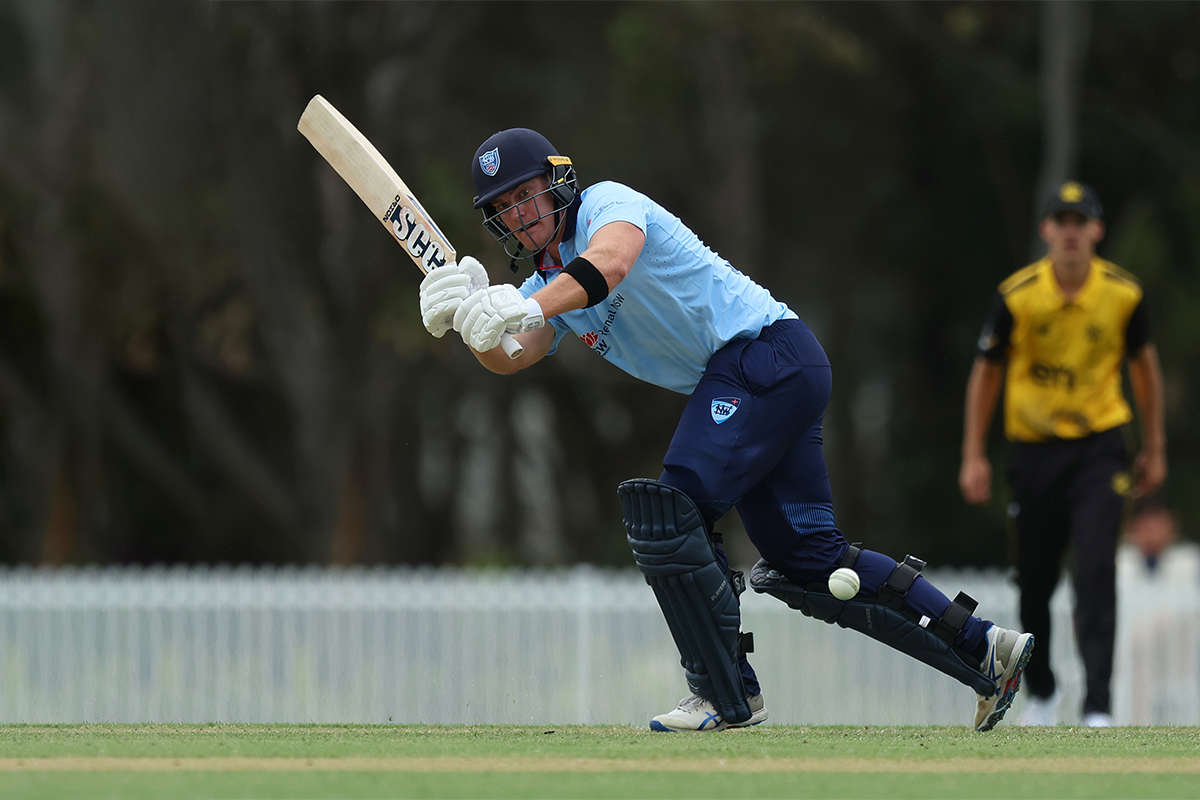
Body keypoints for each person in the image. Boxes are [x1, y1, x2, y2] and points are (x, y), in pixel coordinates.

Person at [419, 128, 1033, 732]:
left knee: (672, 510)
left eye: (524, 195)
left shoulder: (608, 204)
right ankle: (985, 649)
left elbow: (611, 261)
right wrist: (467, 321)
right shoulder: (544, 289)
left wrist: (521, 307)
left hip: (765, 355)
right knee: (807, 560)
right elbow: (513, 354)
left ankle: (724, 694)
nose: (518, 215)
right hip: (766, 376)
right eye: (501, 208)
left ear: (557, 183)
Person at [959, 181, 1167, 728]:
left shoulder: (1123, 294)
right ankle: (1044, 691)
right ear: (1047, 229)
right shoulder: (1018, 295)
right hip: (1034, 452)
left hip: (1100, 447)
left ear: (1096, 230)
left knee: (1097, 567)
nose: (1071, 232)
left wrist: (1155, 445)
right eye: (1062, 221)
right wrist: (973, 453)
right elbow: (987, 372)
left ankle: (1098, 705)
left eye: (1082, 222)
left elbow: (1144, 368)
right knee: (1035, 575)